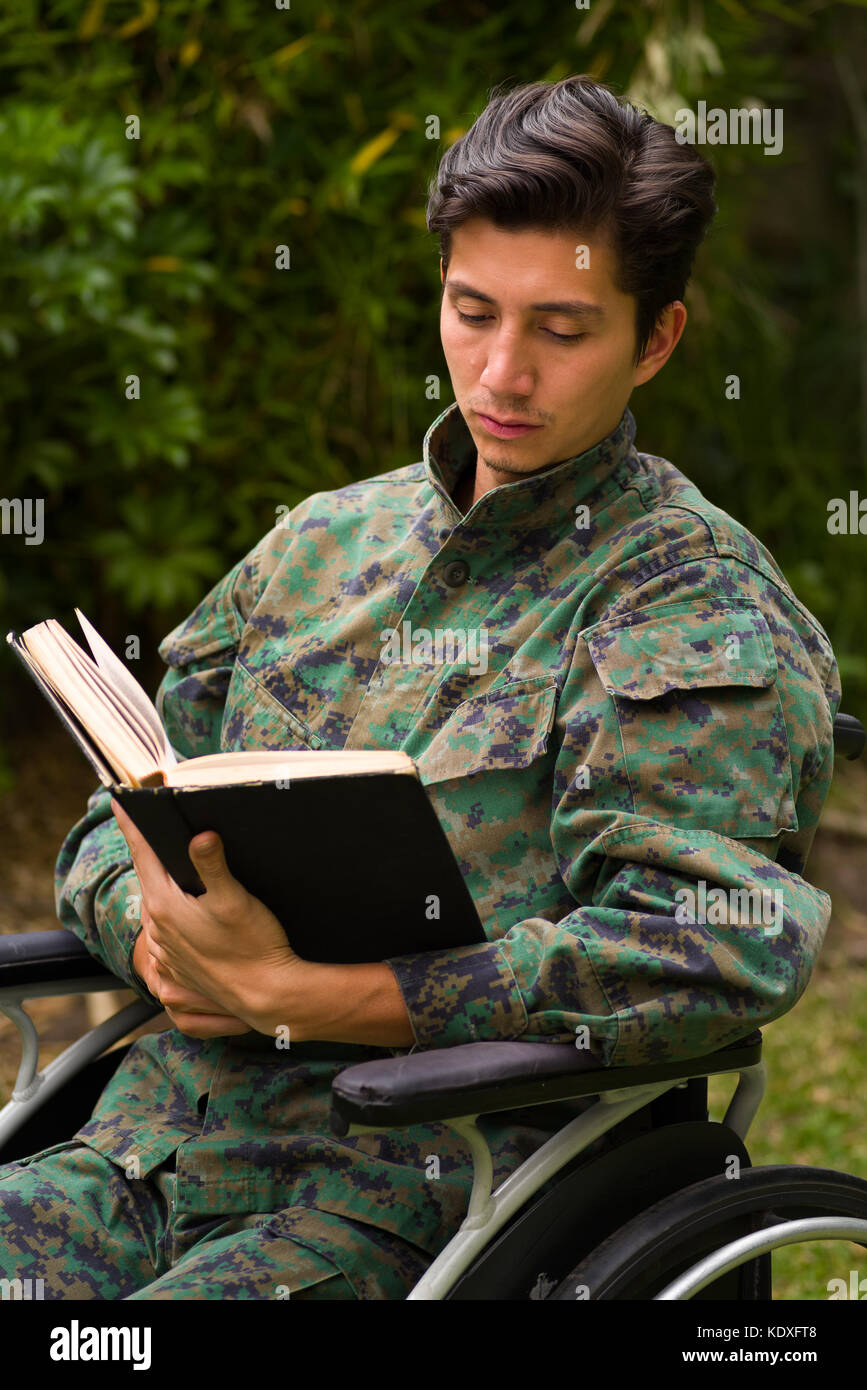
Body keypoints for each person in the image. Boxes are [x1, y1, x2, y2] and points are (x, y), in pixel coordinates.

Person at [0, 76, 840, 1300]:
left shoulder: (688, 605)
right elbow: (110, 821)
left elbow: (706, 952)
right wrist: (159, 940)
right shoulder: (322, 545)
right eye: (470, 310)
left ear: (656, 338)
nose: (501, 373)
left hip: (423, 1192)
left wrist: (330, 998)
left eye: (561, 330)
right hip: (148, 1148)